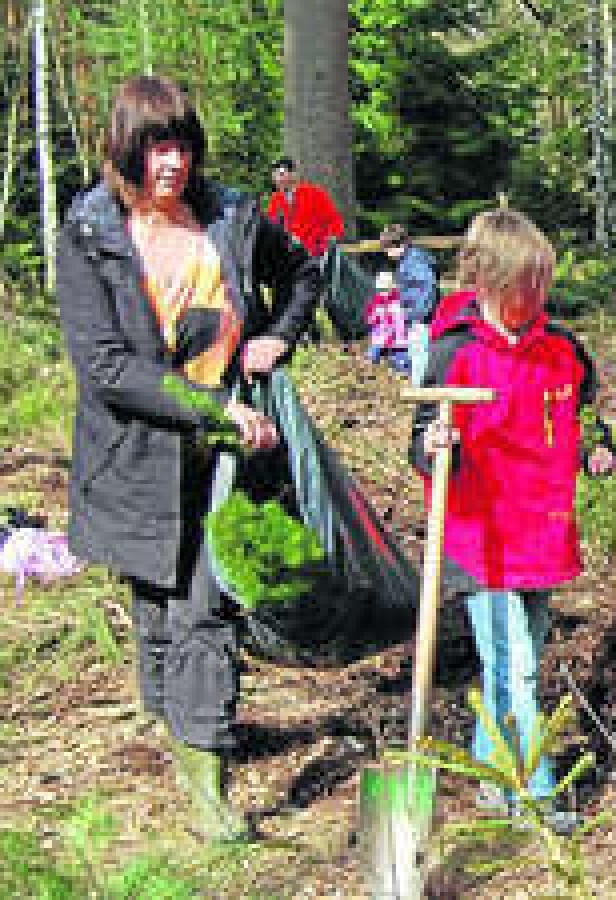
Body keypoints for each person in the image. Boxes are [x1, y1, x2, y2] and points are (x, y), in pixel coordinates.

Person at [55, 75, 320, 842]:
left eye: (180, 146)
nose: (170, 163)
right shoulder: (90, 235)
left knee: (206, 608)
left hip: (227, 456)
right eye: (154, 147)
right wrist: (206, 406)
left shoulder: (233, 215)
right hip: (135, 455)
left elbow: (304, 270)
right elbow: (106, 366)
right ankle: (176, 738)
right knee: (158, 608)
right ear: (126, 149)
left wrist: (278, 337)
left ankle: (209, 783)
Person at [410, 208, 615, 830]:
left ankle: (489, 777)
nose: (536, 296)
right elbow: (420, 437)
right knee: (516, 667)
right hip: (483, 539)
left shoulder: (562, 349)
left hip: (540, 532)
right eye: (525, 283)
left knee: (514, 664)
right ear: (488, 281)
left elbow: (578, 413)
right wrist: (434, 445)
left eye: (542, 283)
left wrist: (594, 447)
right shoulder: (455, 355)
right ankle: (535, 795)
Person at [379, 223, 439, 380]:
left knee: (419, 353)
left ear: (400, 245)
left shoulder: (414, 262)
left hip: (420, 316)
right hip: (415, 314)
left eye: (388, 248)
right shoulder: (408, 260)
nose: (386, 253)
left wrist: (417, 315)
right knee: (416, 351)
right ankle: (419, 384)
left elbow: (427, 287)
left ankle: (420, 388)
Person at [265, 156, 345, 258]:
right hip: (287, 258)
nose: (278, 179)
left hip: (316, 255)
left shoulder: (314, 194)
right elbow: (271, 231)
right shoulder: (274, 201)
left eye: (281, 174)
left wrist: (325, 246)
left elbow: (335, 223)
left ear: (293, 175)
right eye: (275, 175)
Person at [364, 270, 410, 374]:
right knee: (372, 355)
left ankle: (401, 367)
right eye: (381, 290)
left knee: (401, 360)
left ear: (392, 288)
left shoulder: (399, 300)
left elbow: (406, 317)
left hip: (398, 338)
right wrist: (375, 317)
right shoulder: (375, 302)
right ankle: (371, 364)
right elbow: (370, 318)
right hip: (380, 336)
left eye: (386, 289)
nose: (383, 293)